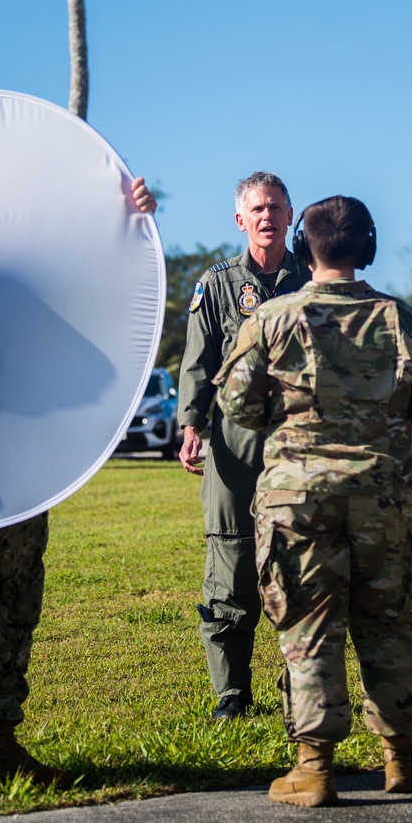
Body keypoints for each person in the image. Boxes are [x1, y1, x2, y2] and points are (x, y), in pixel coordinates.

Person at [0, 177, 158, 810]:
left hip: (17, 468)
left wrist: (124, 219)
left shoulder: (16, 277)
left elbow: (83, 275)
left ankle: (0, 739)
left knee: (15, 605)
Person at [214, 195, 412, 807]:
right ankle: (400, 760)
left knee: (308, 625)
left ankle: (314, 767)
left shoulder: (272, 319)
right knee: (388, 624)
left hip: (297, 501)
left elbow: (237, 406)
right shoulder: (401, 320)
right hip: (383, 498)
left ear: (303, 247)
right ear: (367, 247)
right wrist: (380, 429)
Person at [177, 171, 309, 719]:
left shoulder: (313, 277)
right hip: (233, 446)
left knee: (297, 562)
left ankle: (297, 686)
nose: (267, 216)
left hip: (298, 443)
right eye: (257, 208)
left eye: (276, 207)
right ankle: (231, 691)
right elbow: (198, 359)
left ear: (289, 215)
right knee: (229, 563)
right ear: (240, 219)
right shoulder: (219, 284)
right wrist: (191, 423)